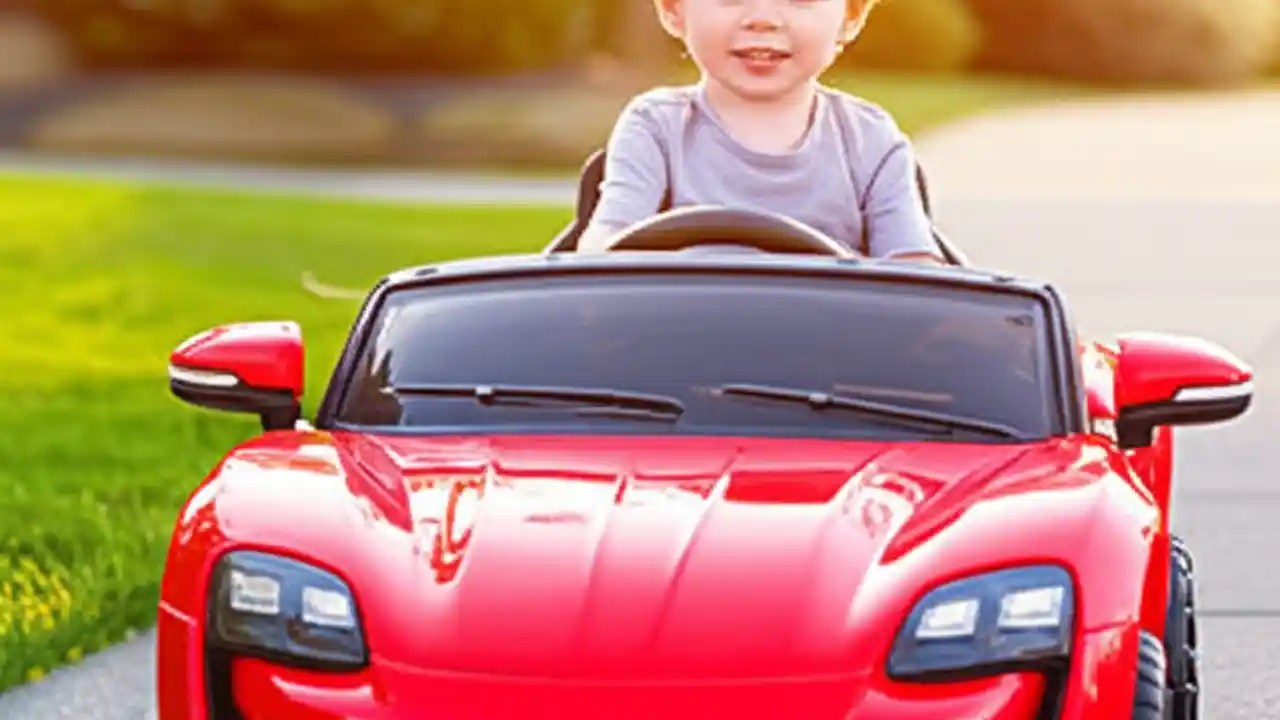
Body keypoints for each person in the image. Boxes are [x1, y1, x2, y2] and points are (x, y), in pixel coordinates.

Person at [576, 0, 943, 263]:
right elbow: (604, 256)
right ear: (673, 10)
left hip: (830, 359)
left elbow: (915, 282)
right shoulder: (655, 127)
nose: (763, 18)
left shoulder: (872, 141)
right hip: (680, 355)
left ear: (851, 15)